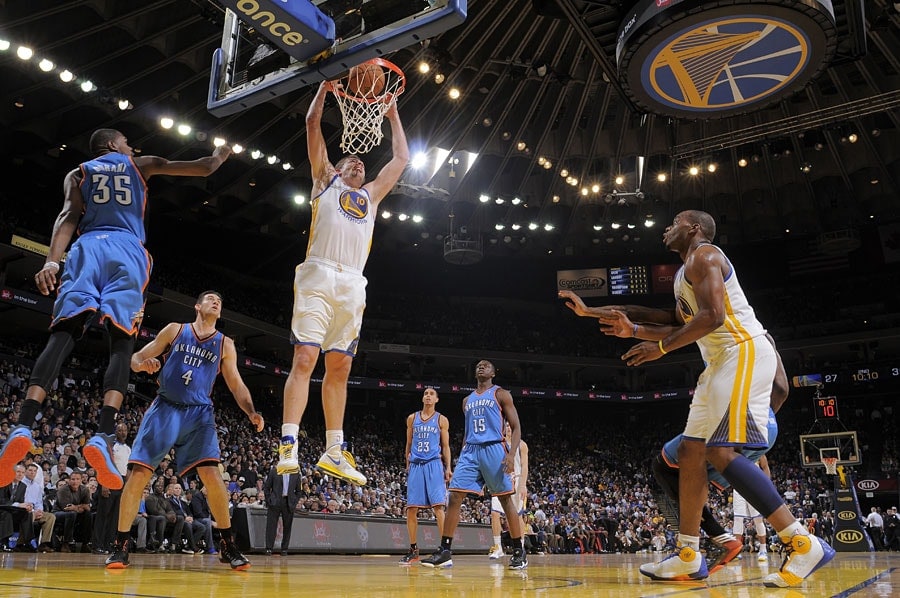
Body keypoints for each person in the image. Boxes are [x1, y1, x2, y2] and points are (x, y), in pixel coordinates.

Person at [569, 210, 834, 587]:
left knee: (721, 452)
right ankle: (689, 555)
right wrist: (599, 313)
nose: (666, 226)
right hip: (716, 363)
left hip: (742, 352)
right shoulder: (684, 272)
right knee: (691, 452)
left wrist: (659, 347)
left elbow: (711, 316)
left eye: (674, 221)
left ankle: (801, 540)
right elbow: (675, 318)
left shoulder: (706, 255)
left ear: (693, 228)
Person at [0, 129, 232, 490]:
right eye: (126, 141)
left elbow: (67, 218)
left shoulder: (78, 173)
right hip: (127, 252)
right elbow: (203, 168)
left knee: (64, 333)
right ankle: (103, 434)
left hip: (87, 248)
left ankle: (24, 423)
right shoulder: (139, 165)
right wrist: (220, 153)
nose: (131, 146)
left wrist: (50, 262)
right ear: (112, 146)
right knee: (122, 343)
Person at [276, 80, 409, 485]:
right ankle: (289, 444)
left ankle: (334, 450)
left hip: (353, 282)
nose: (358, 166)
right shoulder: (325, 181)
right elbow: (313, 120)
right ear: (336, 167)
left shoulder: (370, 196)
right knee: (305, 359)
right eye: (351, 162)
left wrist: (392, 113)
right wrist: (326, 87)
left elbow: (401, 158)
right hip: (318, 271)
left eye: (362, 165)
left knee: (341, 366)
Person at [104, 290, 263, 570]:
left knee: (212, 476)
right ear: (197, 306)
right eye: (211, 298)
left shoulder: (225, 344)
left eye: (220, 301)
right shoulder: (176, 330)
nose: (216, 302)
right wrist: (143, 365)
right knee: (138, 475)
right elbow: (136, 357)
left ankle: (227, 544)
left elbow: (236, 383)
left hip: (199, 414)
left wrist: (251, 410)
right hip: (165, 407)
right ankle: (121, 545)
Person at [420, 360, 527, 570]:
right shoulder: (467, 400)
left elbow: (516, 427)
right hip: (470, 450)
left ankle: (518, 550)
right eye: (478, 365)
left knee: (505, 500)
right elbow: (468, 431)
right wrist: (461, 457)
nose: (481, 367)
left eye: (486, 365)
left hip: (494, 448)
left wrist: (511, 453)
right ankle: (445, 551)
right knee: (454, 496)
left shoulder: (501, 394)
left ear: (493, 373)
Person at [399, 387, 451, 565]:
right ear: (423, 398)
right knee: (411, 509)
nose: (428, 396)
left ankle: (445, 549)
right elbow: (409, 442)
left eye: (431, 394)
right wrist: (407, 462)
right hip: (416, 465)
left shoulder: (441, 419)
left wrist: (448, 467)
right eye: (426, 394)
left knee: (438, 508)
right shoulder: (412, 418)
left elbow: (445, 447)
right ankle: (413, 549)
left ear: (436, 400)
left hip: (434, 465)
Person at [488, 421, 528, 559]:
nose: (509, 428)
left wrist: (523, 485)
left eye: (511, 426)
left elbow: (524, 467)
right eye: (506, 426)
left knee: (518, 516)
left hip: (517, 480)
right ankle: (498, 547)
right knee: (494, 513)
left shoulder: (522, 445)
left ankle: (520, 547)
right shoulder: (499, 444)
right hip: (501, 480)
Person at [263, 463, 303, 556]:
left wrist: (294, 501)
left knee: (287, 526)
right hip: (275, 501)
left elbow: (299, 491)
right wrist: (269, 500)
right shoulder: (274, 471)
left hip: (288, 502)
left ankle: (284, 549)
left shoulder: (296, 474)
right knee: (271, 526)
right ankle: (269, 548)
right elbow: (267, 487)